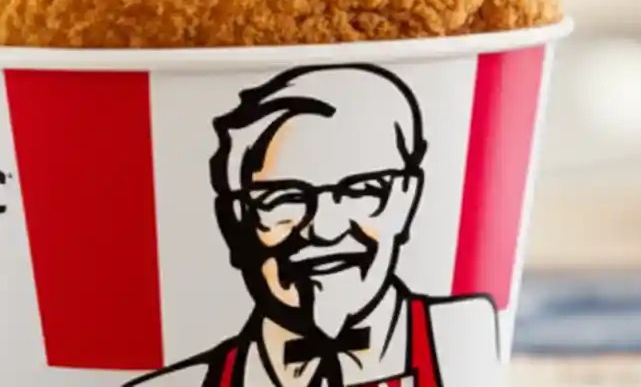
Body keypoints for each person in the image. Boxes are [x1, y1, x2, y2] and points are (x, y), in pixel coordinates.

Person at [128, 65, 501, 387]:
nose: (324, 229)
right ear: (234, 222)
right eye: (283, 198)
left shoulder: (466, 339)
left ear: (407, 200)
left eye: (360, 191)